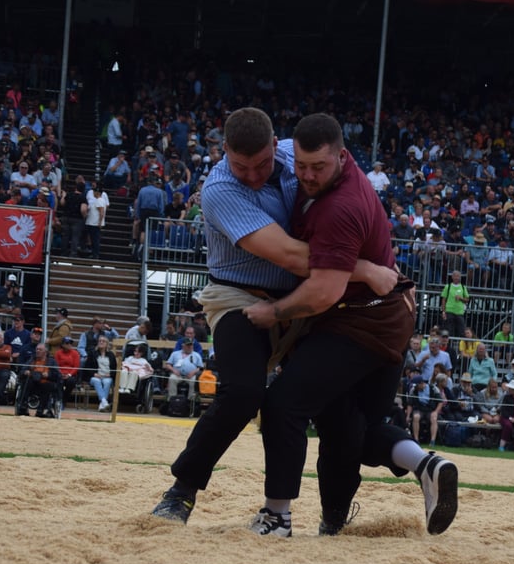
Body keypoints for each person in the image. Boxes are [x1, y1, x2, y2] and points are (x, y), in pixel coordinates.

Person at [150, 107, 402, 534]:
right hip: (239, 295)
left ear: (275, 145)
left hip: (306, 300)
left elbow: (346, 184)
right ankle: (182, 490)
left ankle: (333, 518)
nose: (252, 176)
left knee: (336, 410)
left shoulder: (298, 156)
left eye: (262, 164)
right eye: (241, 166)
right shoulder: (219, 190)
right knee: (242, 392)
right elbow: (289, 254)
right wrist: (365, 269)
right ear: (223, 152)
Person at [240, 113, 457, 536]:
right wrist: (367, 269)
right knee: (350, 428)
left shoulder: (339, 206)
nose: (307, 175)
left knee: (284, 404)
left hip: (357, 323)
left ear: (342, 157)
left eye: (318, 167)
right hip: (385, 318)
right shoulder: (334, 173)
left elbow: (323, 291)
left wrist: (274, 312)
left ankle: (277, 516)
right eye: (301, 165)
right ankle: (424, 465)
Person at [17, 343, 60, 418]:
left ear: (45, 352)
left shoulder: (52, 361)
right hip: (32, 382)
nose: (38, 351)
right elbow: (22, 371)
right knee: (26, 382)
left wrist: (48, 375)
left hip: (45, 383)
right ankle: (23, 406)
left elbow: (57, 375)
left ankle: (41, 409)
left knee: (47, 386)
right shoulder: (31, 360)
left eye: (40, 349)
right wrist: (25, 372)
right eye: (37, 349)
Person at [88, 335, 117, 412]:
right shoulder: (92, 353)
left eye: (103, 341)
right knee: (96, 381)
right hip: (95, 376)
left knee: (107, 382)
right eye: (100, 341)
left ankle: (102, 405)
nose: (101, 342)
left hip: (107, 376)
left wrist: (110, 374)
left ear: (107, 344)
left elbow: (115, 369)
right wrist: (94, 374)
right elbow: (87, 367)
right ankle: (104, 402)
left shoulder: (111, 355)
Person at [439, 270, 469, 338]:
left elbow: (467, 299)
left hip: (459, 312)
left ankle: (461, 344)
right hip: (449, 311)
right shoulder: (448, 286)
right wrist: (443, 311)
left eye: (458, 276)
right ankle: (449, 344)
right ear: (452, 277)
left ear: (460, 277)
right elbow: (443, 299)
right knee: (449, 331)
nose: (456, 278)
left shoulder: (463, 287)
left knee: (462, 331)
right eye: (455, 276)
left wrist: (461, 298)